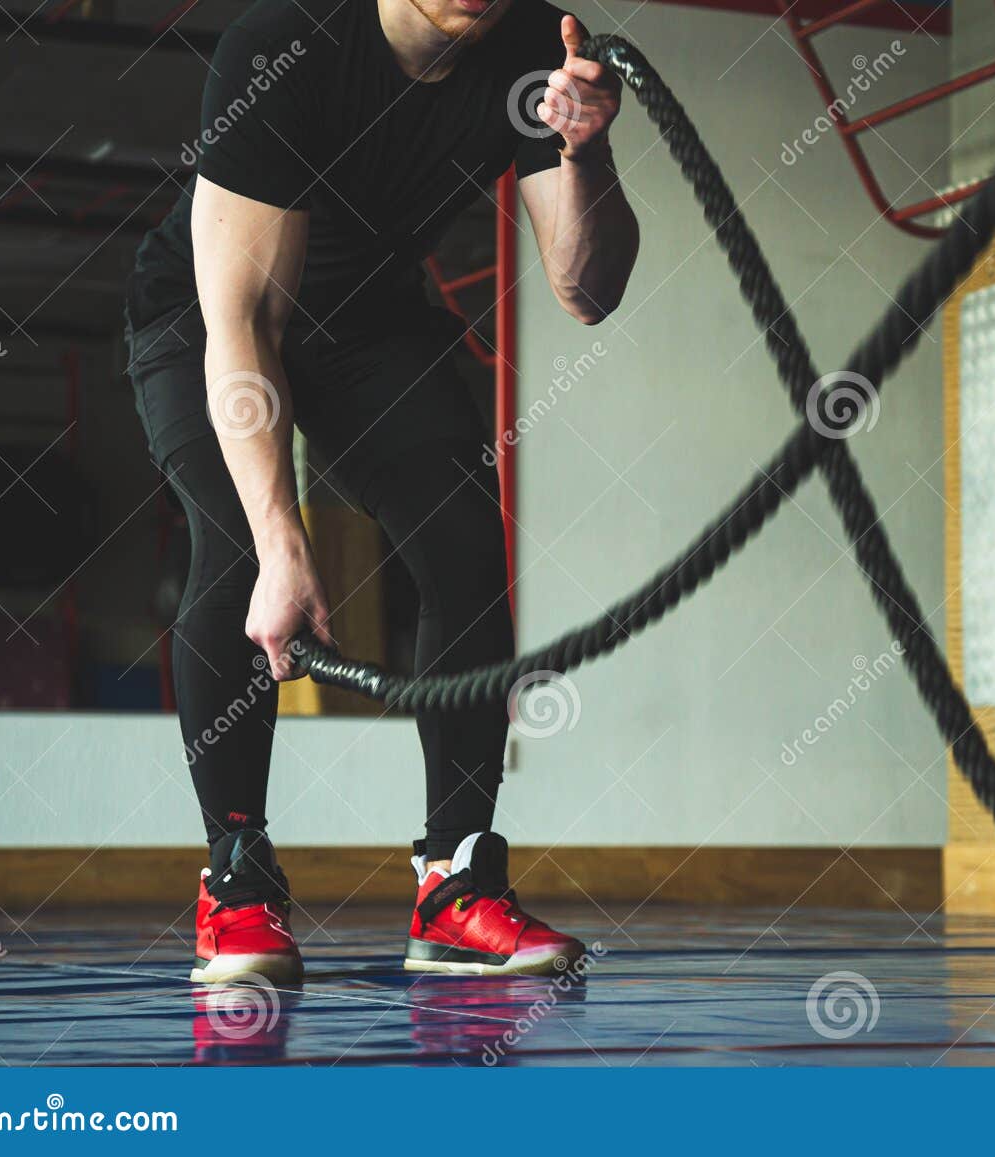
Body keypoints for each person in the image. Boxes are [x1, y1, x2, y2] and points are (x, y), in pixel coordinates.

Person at [124, 0, 639, 983]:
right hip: (209, 315)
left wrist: (585, 150)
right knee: (238, 550)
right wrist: (284, 541)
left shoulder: (536, 50)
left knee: (462, 536)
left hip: (367, 317)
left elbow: (588, 290)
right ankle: (236, 879)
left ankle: (456, 885)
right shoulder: (282, 47)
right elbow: (246, 319)